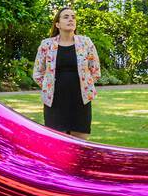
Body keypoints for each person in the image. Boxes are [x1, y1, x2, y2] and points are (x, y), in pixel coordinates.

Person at [32, 8, 102, 140]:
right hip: (55, 102)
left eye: (73, 17)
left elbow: (95, 70)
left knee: (80, 144)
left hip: (81, 100)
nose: (71, 19)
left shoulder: (86, 42)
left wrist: (85, 85)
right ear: (57, 24)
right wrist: (48, 86)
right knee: (57, 144)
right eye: (66, 17)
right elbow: (38, 72)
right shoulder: (46, 45)